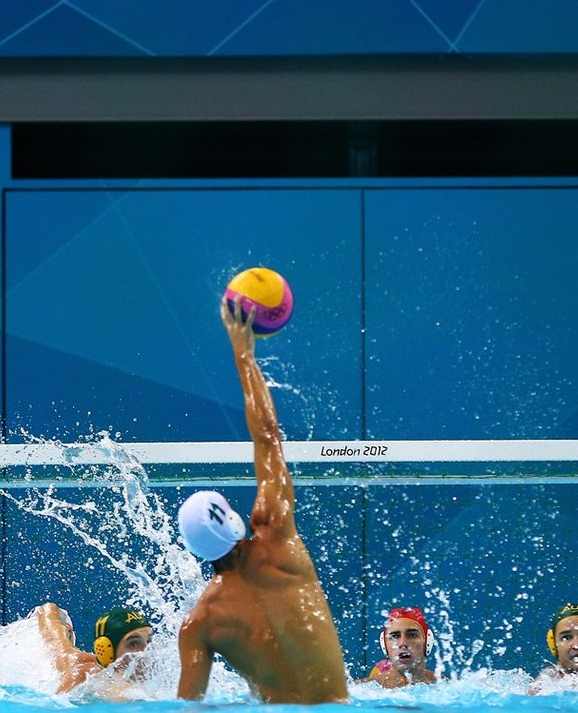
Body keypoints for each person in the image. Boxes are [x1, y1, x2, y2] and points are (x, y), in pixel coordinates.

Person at [174, 301, 348, 703]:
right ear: (233, 521)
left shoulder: (201, 623)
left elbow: (187, 709)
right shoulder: (275, 535)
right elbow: (268, 436)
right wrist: (243, 352)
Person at [34, 603, 153, 694]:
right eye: (133, 644)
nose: (146, 651)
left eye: (149, 641)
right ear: (106, 650)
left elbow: (48, 613)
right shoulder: (79, 680)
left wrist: (50, 609)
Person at [360, 607, 438, 688]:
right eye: (395, 636)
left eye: (412, 635)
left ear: (428, 642)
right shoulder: (363, 689)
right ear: (384, 645)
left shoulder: (443, 685)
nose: (403, 643)